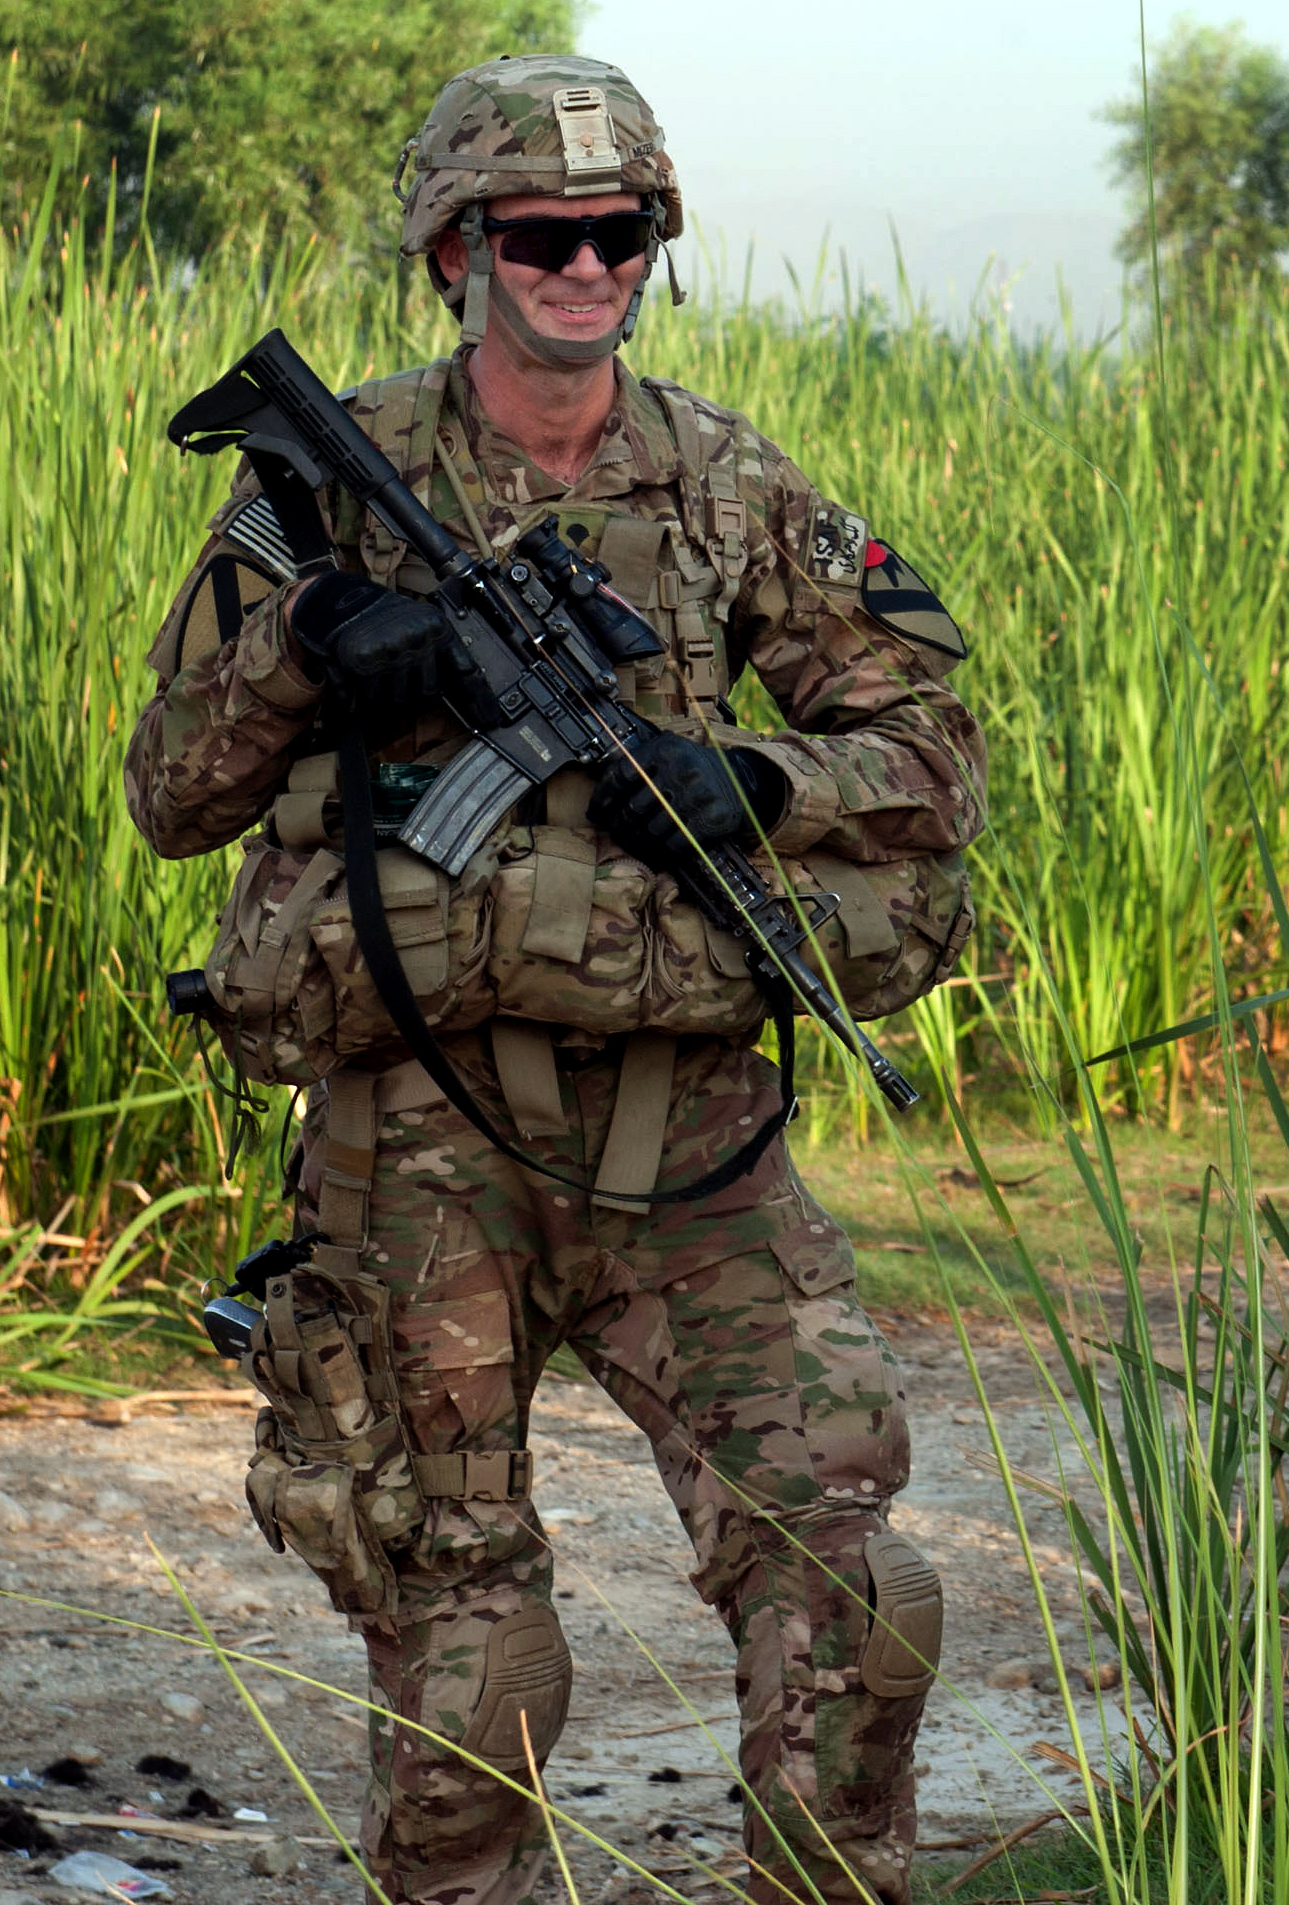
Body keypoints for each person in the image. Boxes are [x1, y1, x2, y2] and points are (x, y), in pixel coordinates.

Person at [124, 55, 985, 1905]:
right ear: (456, 251)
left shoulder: (730, 480)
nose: (587, 266)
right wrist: (307, 643)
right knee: (473, 1654)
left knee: (855, 1592)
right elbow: (172, 795)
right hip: (423, 1150)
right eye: (541, 235)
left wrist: (751, 782)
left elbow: (933, 753)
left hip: (695, 1142)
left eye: (621, 231)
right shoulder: (324, 484)